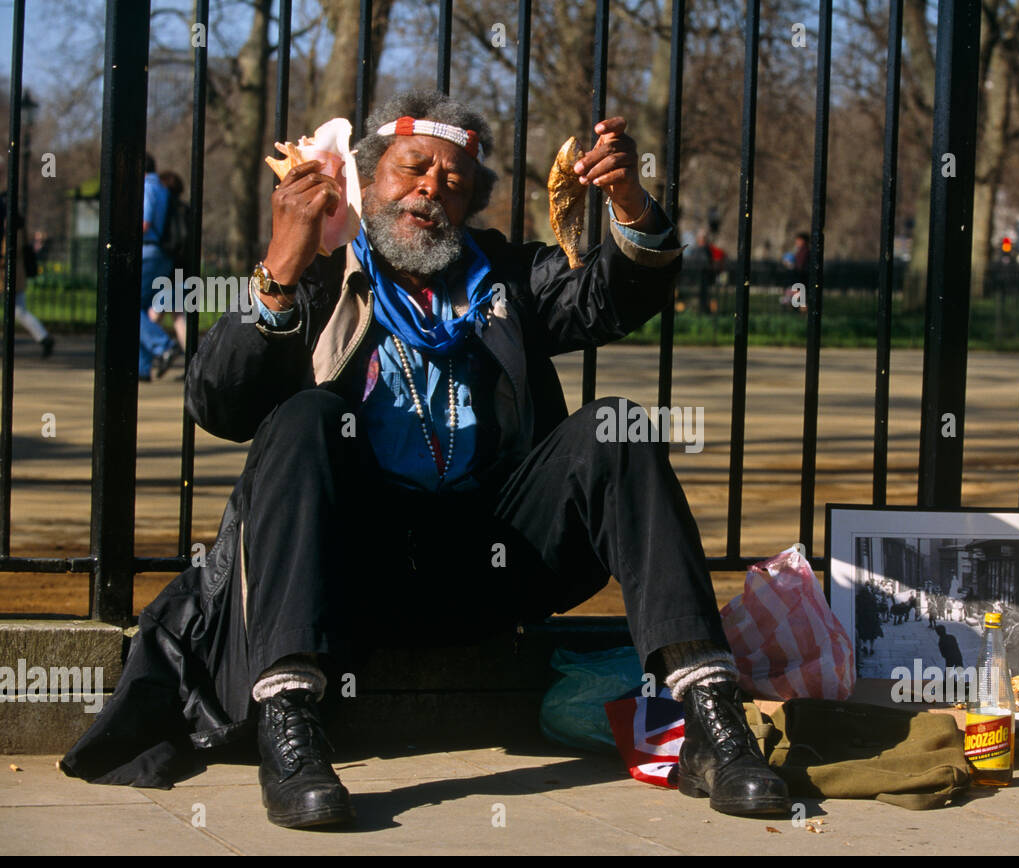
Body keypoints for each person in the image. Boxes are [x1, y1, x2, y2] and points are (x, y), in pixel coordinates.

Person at [62, 89, 788, 828]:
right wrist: (280, 267)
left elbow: (610, 297)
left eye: (453, 181)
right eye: (412, 169)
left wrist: (629, 202)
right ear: (367, 178)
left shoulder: (505, 277)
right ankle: (292, 727)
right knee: (308, 416)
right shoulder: (317, 275)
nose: (430, 189)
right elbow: (217, 403)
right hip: (358, 571)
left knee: (618, 428)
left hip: (497, 557)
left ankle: (710, 720)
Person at [139, 153, 181, 381]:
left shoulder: (147, 187)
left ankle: (163, 345)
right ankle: (142, 367)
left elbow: (144, 223)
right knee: (143, 309)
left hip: (147, 250)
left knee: (127, 304)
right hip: (162, 253)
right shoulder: (163, 189)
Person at [0, 200, 54, 358]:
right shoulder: (16, 227)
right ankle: (44, 338)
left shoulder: (11, 229)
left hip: (8, 276)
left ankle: (44, 338)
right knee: (20, 311)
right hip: (14, 275)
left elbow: (8, 253)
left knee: (19, 311)